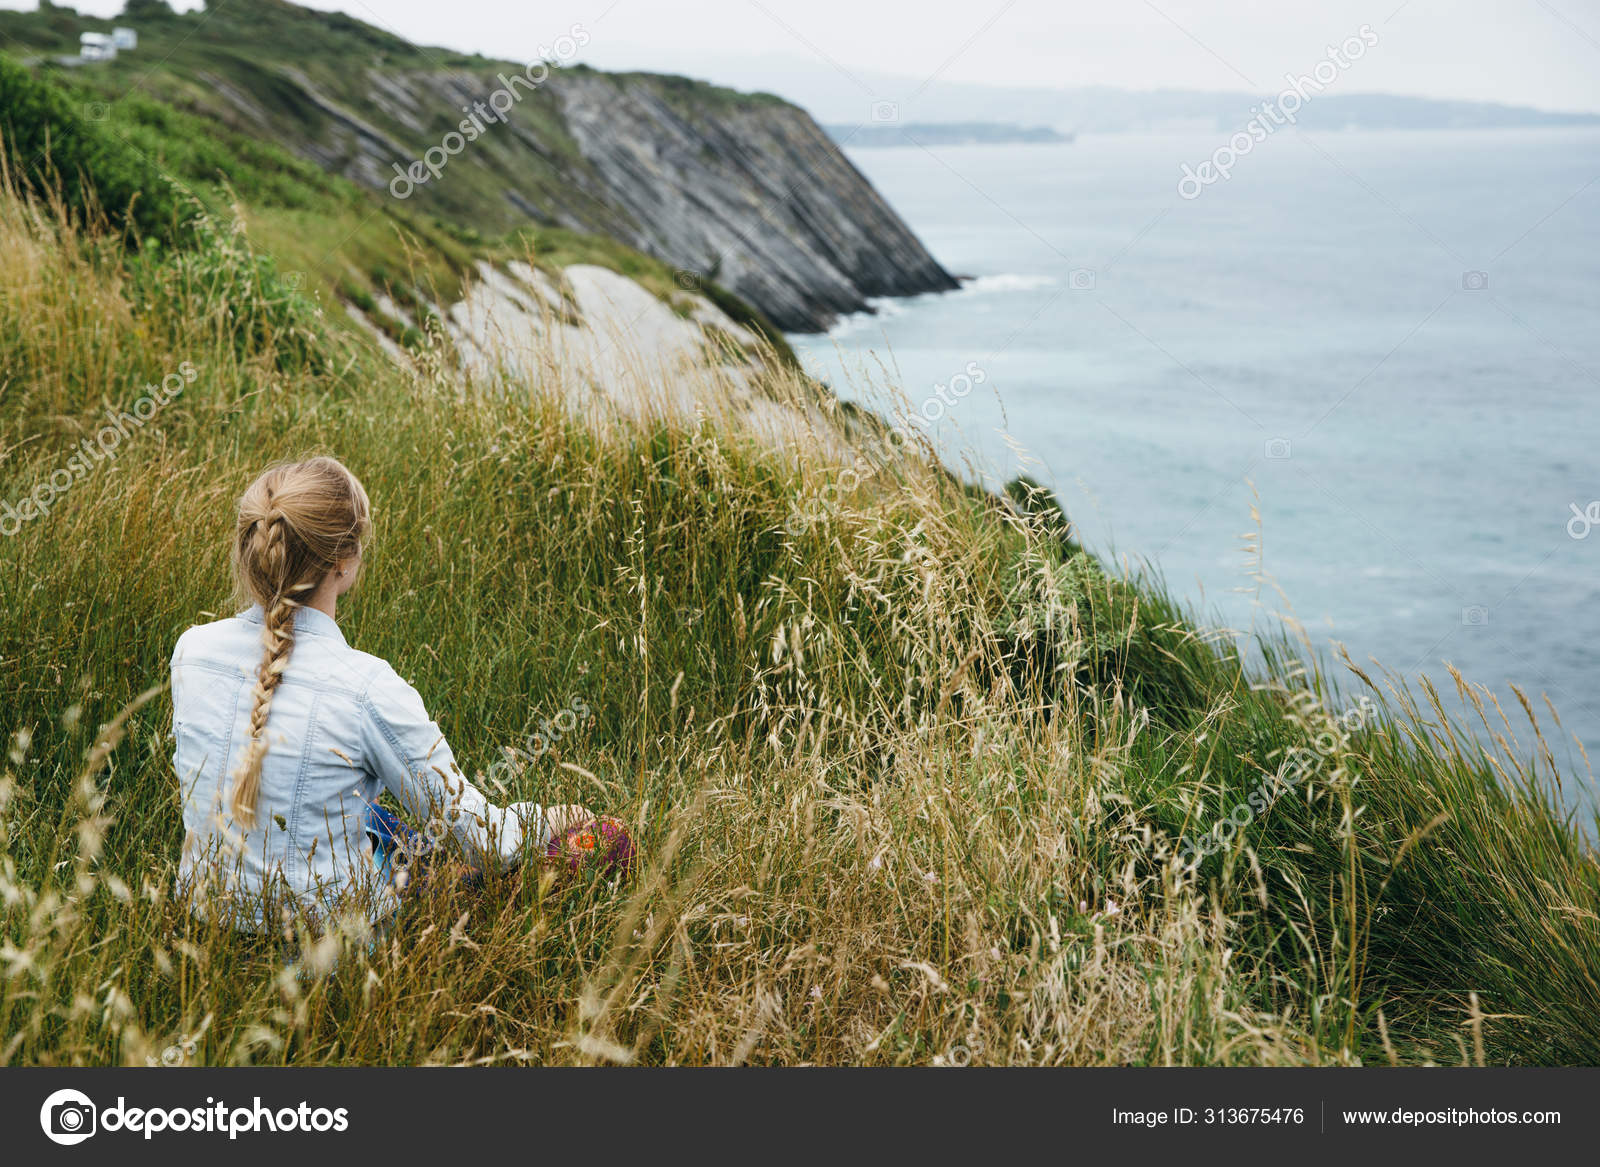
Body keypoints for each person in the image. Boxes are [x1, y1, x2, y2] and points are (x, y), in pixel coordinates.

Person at [170, 455, 590, 932]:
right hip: (324, 950)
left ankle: (419, 865)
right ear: (344, 562)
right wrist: (551, 817)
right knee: (411, 833)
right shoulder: (366, 688)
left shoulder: (191, 651)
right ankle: (438, 882)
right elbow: (481, 841)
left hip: (205, 924)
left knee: (368, 814)